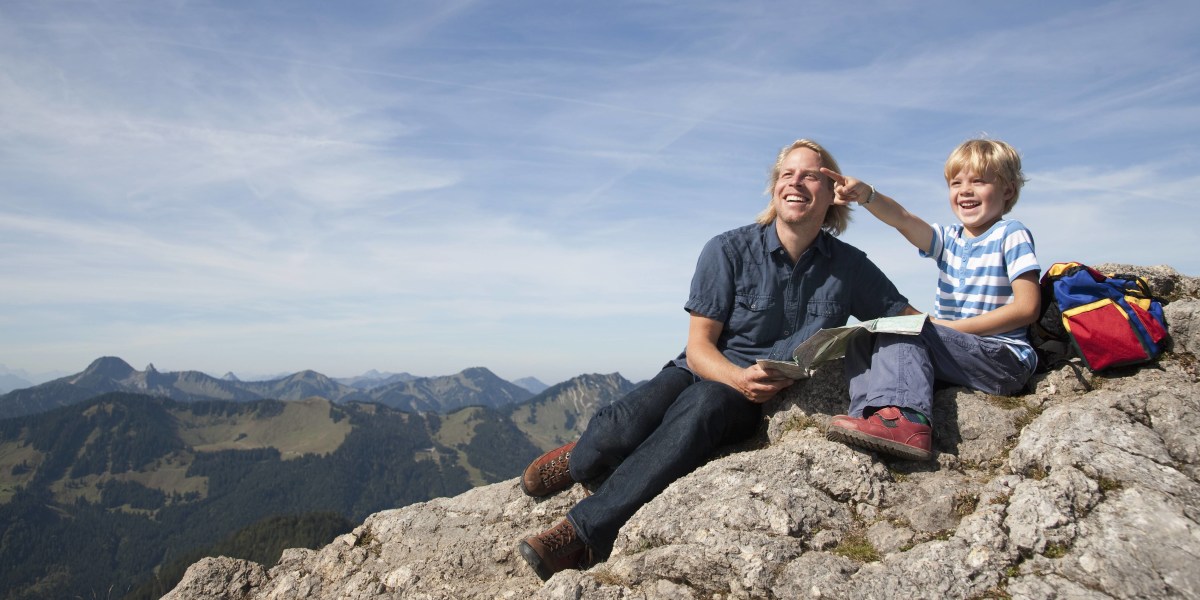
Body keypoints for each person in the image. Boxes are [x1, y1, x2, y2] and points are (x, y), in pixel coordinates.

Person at [516, 139, 915, 581]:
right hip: (703, 368)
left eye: (811, 175)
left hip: (746, 399)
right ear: (774, 189)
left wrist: (992, 326)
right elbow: (699, 347)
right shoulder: (727, 250)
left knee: (700, 409)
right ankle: (579, 460)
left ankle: (580, 534)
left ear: (833, 190)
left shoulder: (850, 267)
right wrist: (737, 376)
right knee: (619, 428)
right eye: (787, 174)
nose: (796, 182)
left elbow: (911, 321)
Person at [819, 138, 1041, 461]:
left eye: (978, 181)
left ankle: (907, 420)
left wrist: (955, 328)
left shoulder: (1011, 234)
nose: (965, 190)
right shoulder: (949, 240)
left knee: (908, 329)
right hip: (962, 350)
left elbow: (1027, 307)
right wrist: (867, 195)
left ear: (1007, 191)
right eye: (956, 182)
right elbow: (903, 219)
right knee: (861, 339)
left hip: (1003, 358)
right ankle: (872, 414)